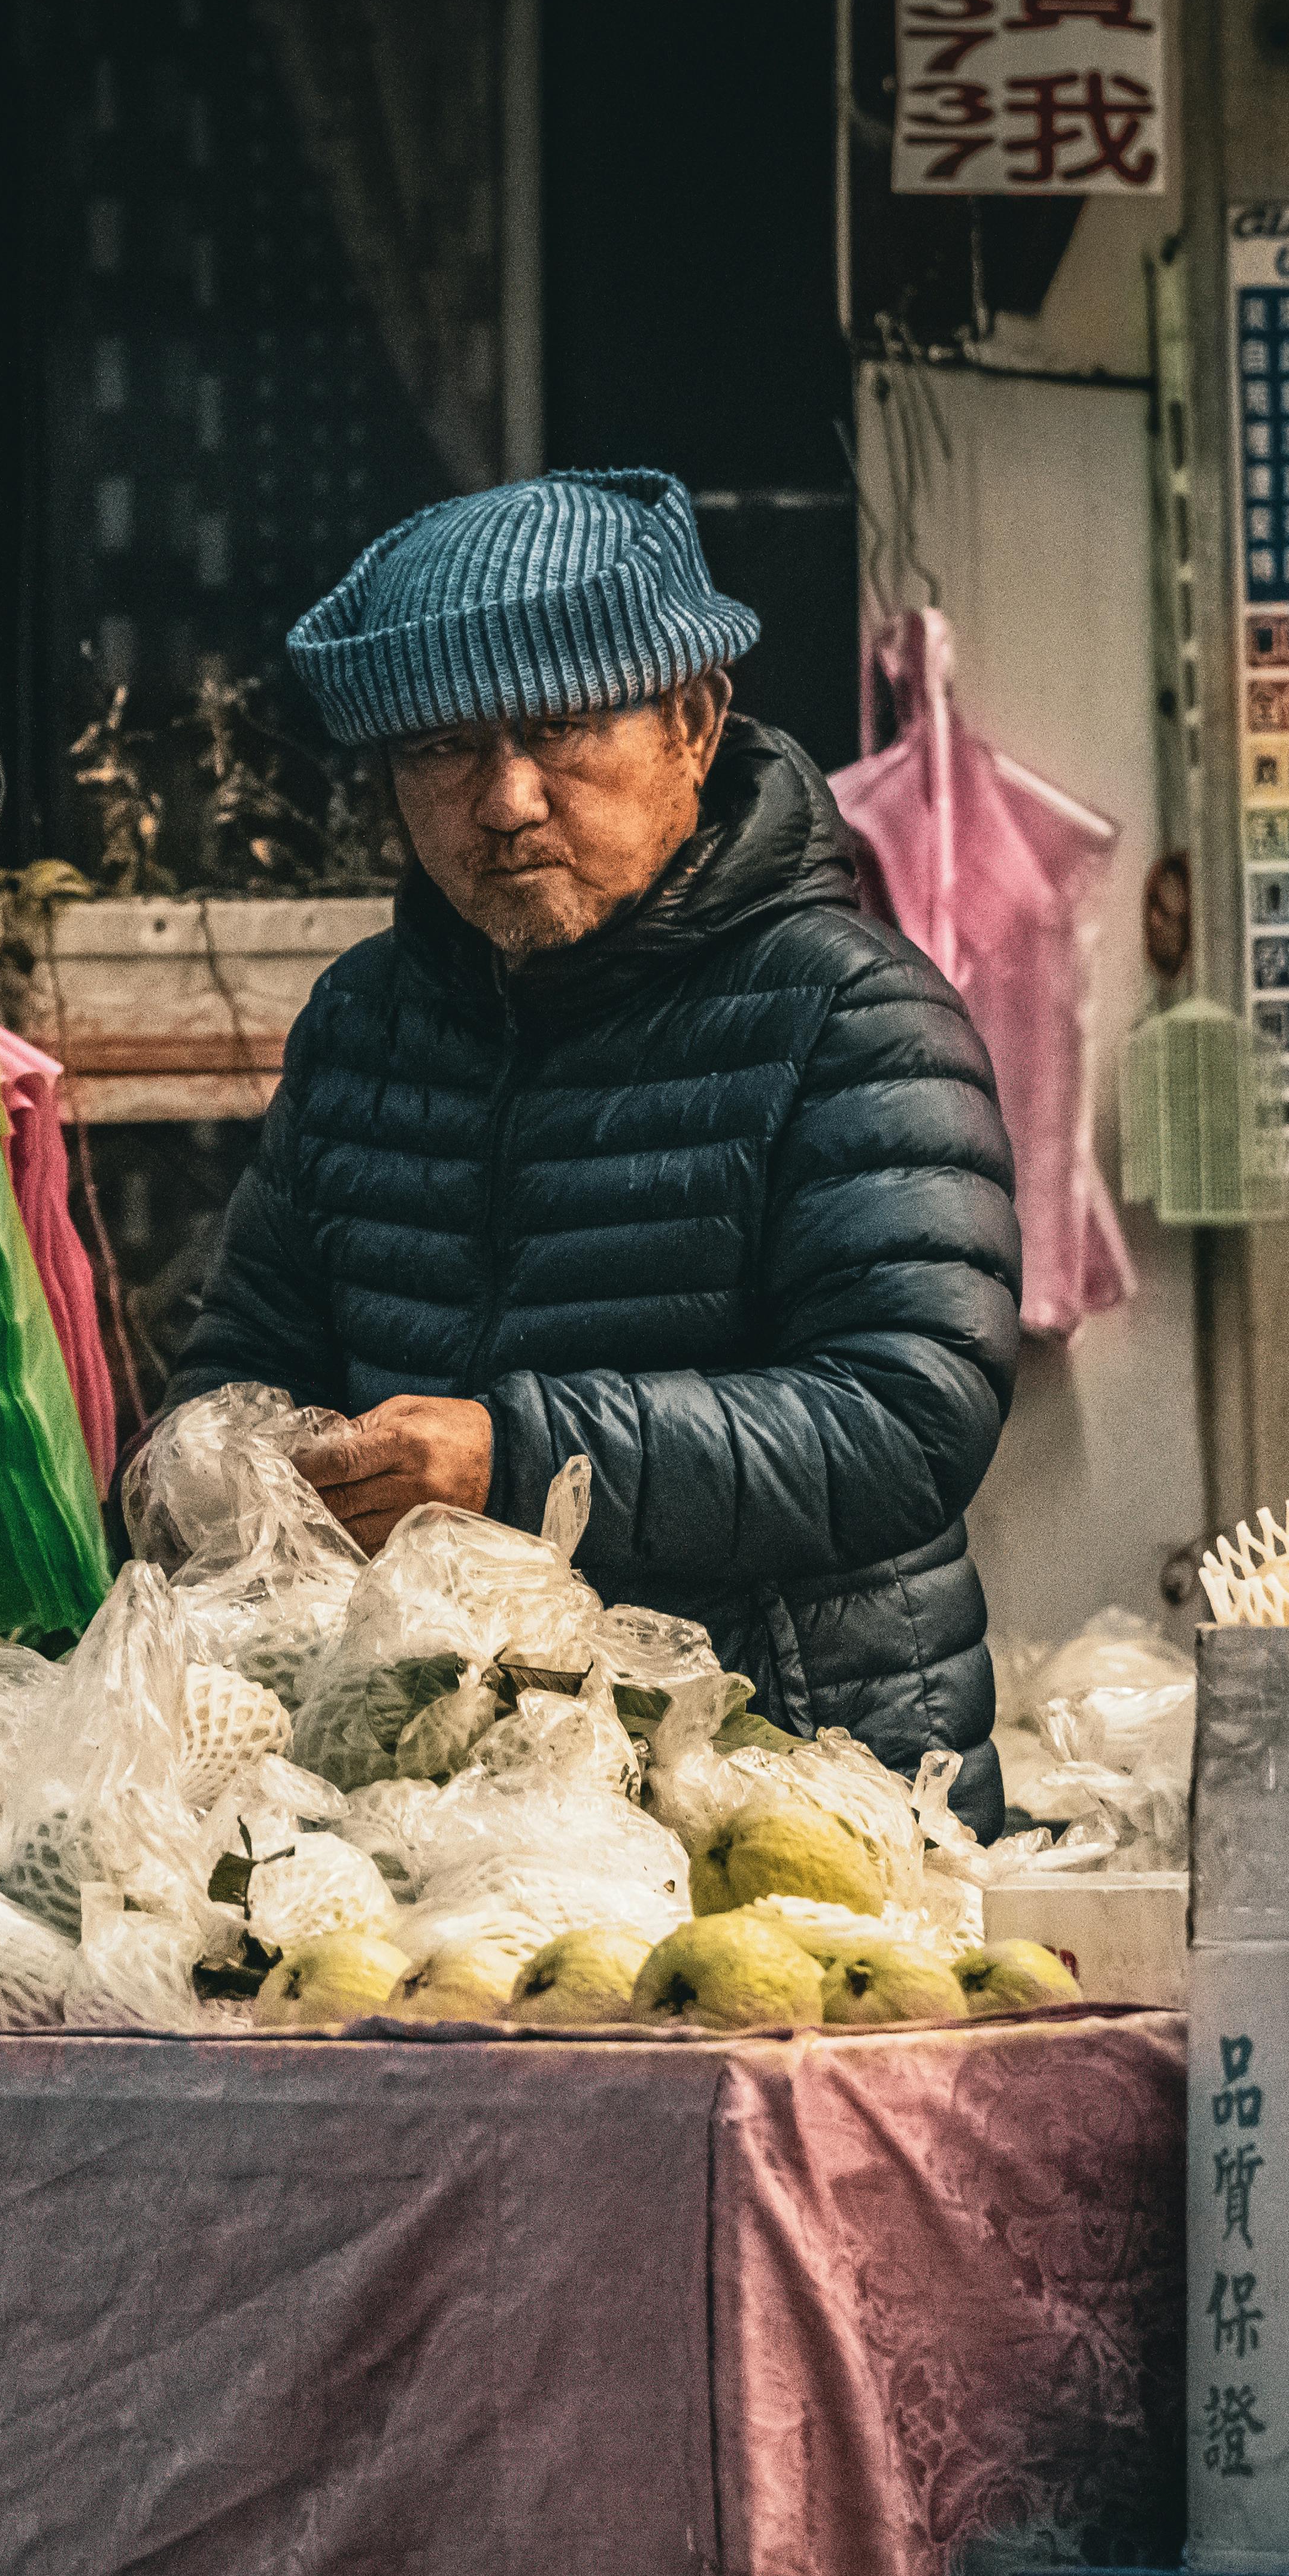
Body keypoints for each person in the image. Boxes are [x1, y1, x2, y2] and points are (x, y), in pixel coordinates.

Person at [159, 469, 1022, 1831]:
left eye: (559, 726)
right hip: (442, 1811)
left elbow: (906, 1419)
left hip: (799, 1798)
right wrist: (220, 1476)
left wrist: (517, 1459)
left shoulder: (850, 1013)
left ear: (691, 722)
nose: (502, 799)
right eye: (440, 749)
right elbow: (245, 1362)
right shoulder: (363, 1025)